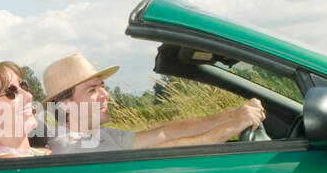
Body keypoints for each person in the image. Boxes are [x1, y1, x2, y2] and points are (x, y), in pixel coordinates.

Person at [42, 53, 264, 154]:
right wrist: (232, 128)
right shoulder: (72, 146)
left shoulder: (98, 135)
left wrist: (234, 115)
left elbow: (165, 133)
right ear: (66, 105)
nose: (106, 94)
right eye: (92, 90)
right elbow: (159, 152)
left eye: (102, 86)